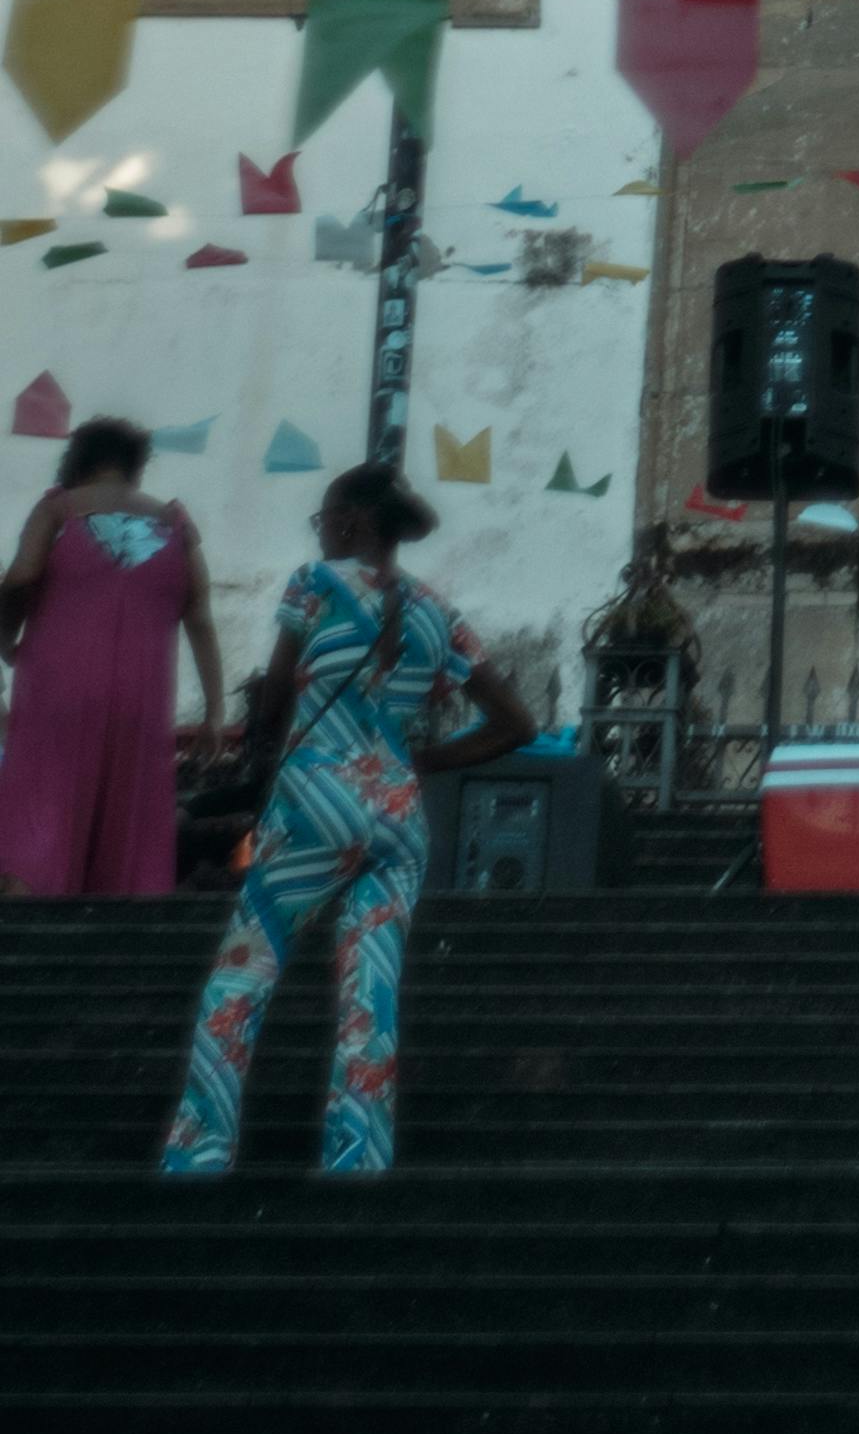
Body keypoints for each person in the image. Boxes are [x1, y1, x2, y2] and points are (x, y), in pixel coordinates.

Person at [159, 462, 532, 1181]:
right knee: (372, 989)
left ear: (353, 522)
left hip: (313, 803)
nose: (321, 530)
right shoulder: (437, 611)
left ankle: (202, 1147)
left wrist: (264, 745)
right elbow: (516, 722)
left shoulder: (315, 583)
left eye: (325, 517)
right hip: (397, 818)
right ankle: (358, 1156)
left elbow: (271, 698)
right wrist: (420, 760)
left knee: (243, 973)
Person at [0, 412, 224, 902]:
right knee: (127, 824)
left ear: (76, 461)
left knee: (43, 813)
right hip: (142, 701)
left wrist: (4, 636)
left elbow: (21, 576)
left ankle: (24, 944)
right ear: (136, 466)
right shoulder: (175, 523)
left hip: (56, 692)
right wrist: (213, 711)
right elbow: (201, 619)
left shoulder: (58, 510)